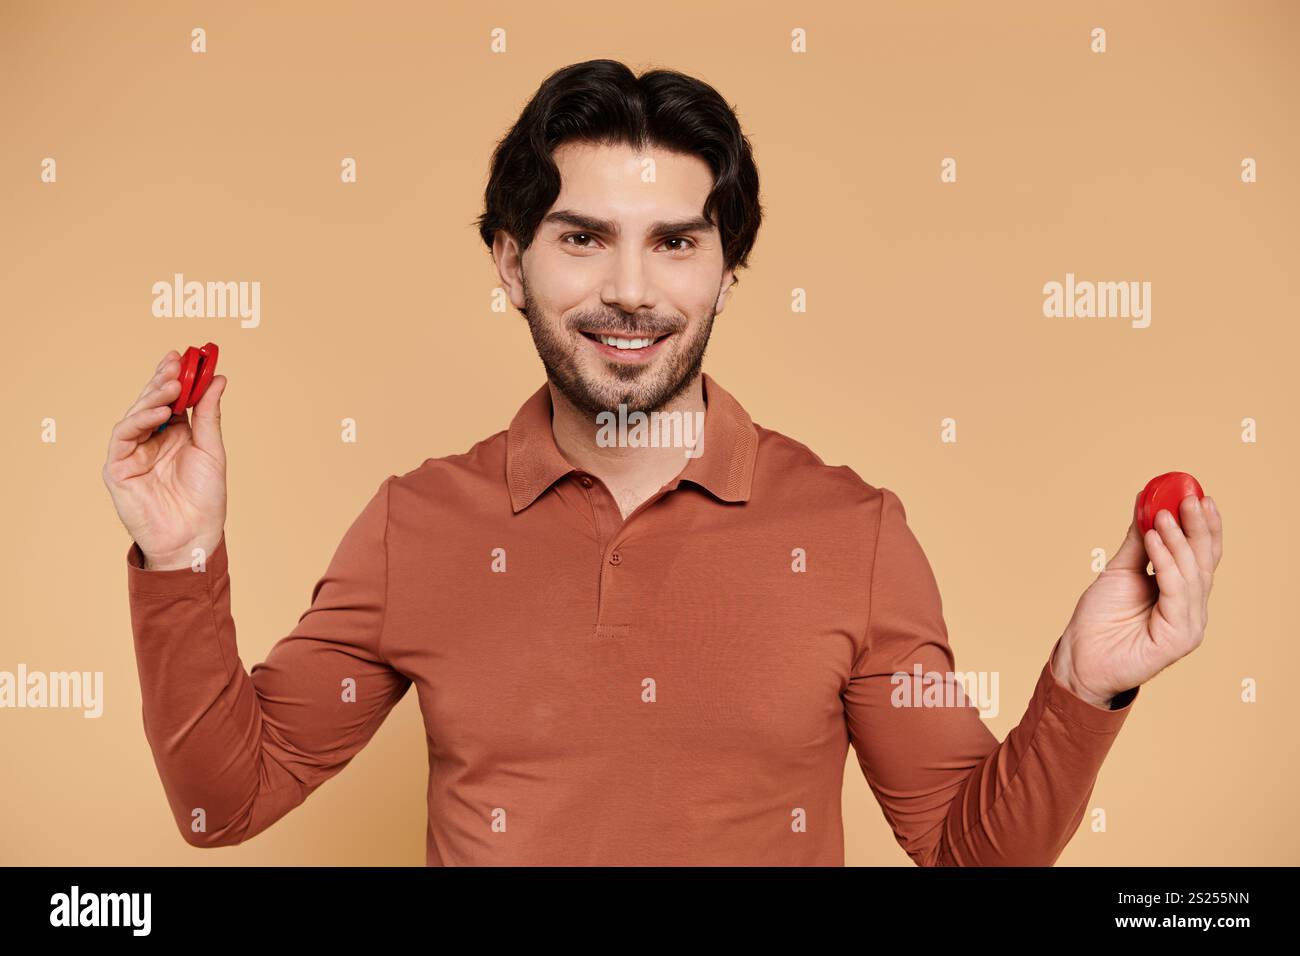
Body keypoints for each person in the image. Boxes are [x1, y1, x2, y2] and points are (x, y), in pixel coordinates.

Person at [102, 59, 1223, 866]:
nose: (630, 288)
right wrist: (179, 551)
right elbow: (223, 804)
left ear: (727, 269)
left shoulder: (850, 531)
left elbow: (968, 850)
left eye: (675, 241)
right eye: (582, 237)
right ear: (510, 260)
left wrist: (1085, 683)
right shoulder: (416, 523)